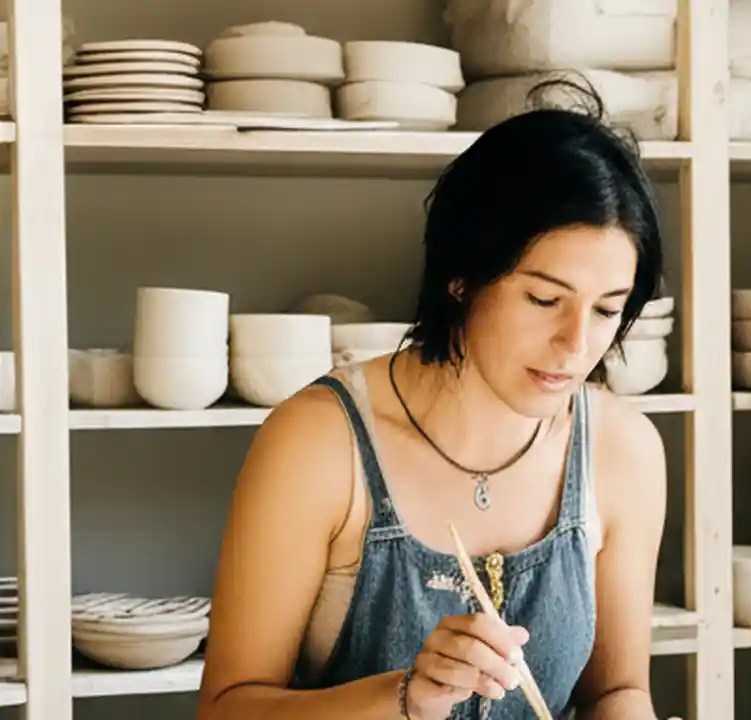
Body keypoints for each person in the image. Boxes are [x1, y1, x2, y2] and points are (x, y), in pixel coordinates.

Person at [196, 82, 670, 720]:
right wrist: (405, 699)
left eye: (608, 309)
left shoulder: (622, 449)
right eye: (542, 299)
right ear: (463, 275)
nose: (575, 344)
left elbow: (617, 692)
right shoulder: (318, 442)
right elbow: (228, 710)